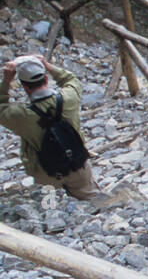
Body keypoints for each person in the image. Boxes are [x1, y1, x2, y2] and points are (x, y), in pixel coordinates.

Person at [0, 54, 102, 201]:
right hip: (78, 165)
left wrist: (6, 80)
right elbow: (71, 80)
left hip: (47, 174)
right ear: (46, 79)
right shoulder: (69, 98)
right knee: (96, 203)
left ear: (24, 86)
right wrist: (48, 65)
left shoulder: (20, 116)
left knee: (51, 211)